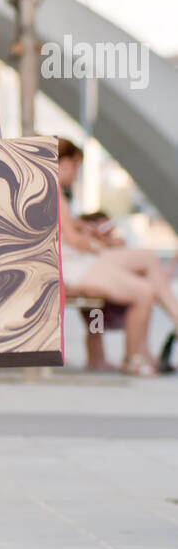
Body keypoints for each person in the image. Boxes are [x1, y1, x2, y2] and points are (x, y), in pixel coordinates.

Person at [57, 138, 178, 377]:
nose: (77, 175)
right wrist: (100, 245)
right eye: (77, 168)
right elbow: (72, 239)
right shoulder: (57, 193)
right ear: (66, 163)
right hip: (74, 268)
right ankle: (133, 355)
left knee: (143, 270)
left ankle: (117, 356)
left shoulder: (53, 194)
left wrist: (87, 232)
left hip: (79, 269)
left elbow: (68, 231)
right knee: (140, 289)